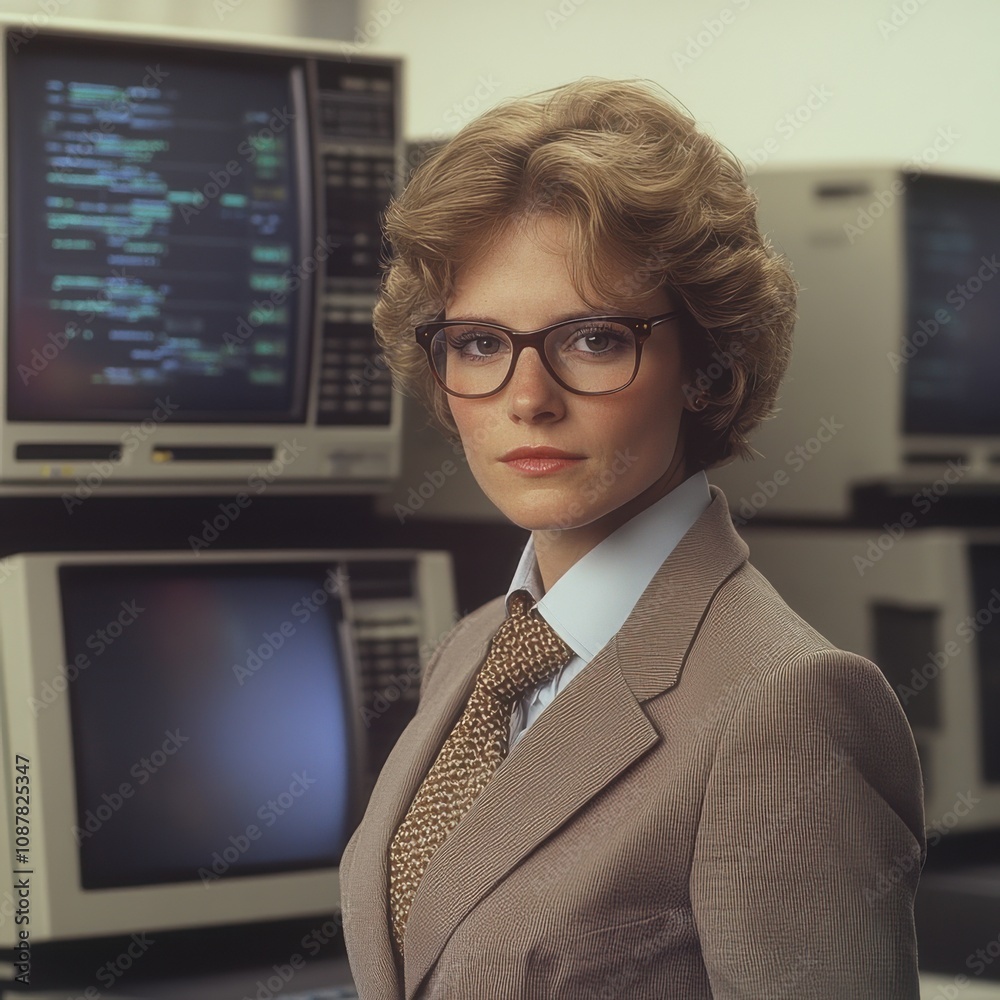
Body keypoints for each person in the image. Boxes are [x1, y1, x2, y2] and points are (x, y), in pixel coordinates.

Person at [339, 78, 925, 999]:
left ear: (708, 367)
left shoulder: (790, 707)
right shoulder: (479, 649)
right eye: (482, 344)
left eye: (594, 338)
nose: (528, 399)